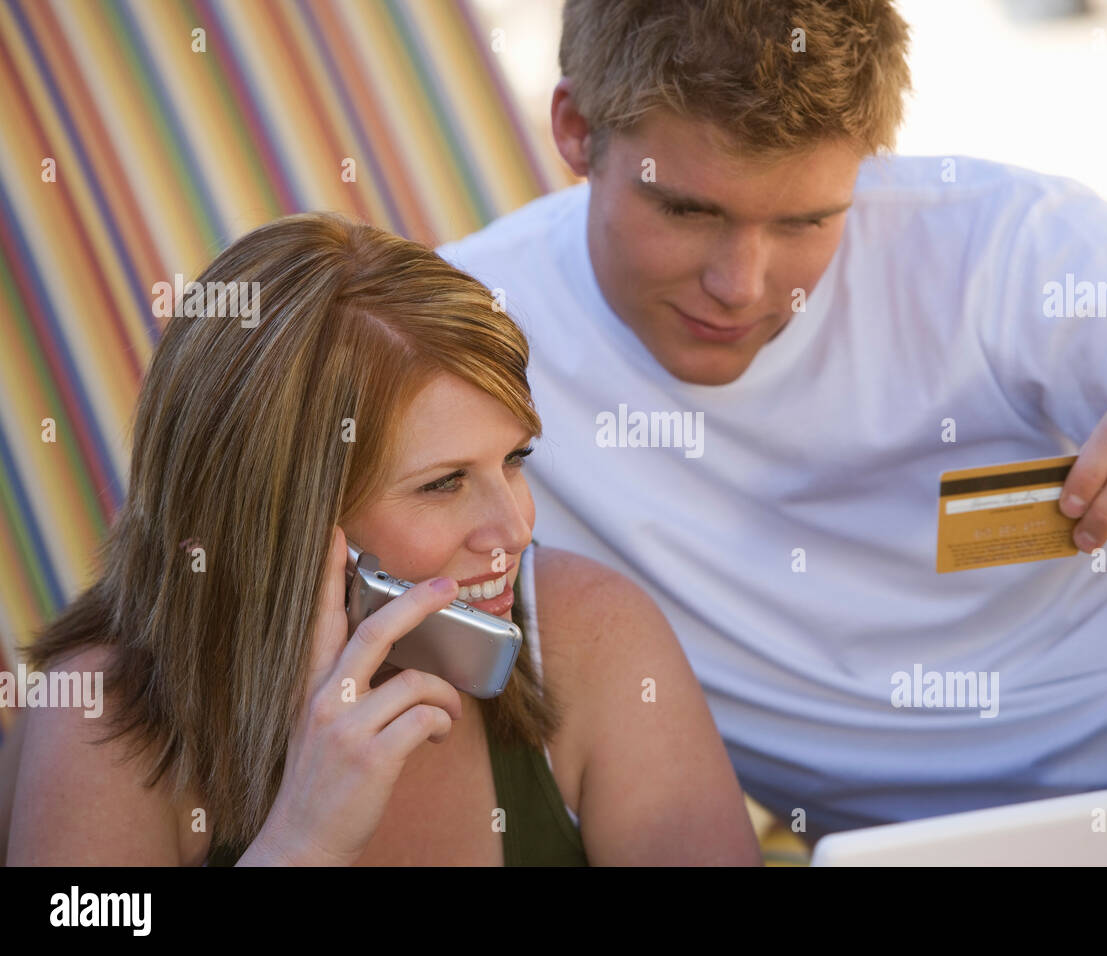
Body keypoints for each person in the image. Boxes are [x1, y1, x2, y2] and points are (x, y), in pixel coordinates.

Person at [436, 0, 1107, 858]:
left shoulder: (1007, 246)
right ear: (576, 129)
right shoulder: (462, 344)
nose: (740, 284)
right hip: (992, 846)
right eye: (689, 212)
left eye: (805, 221)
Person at [6, 212, 761, 866]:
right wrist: (303, 841)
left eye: (513, 462)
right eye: (443, 483)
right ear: (279, 523)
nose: (514, 530)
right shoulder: (103, 720)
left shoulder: (593, 635)